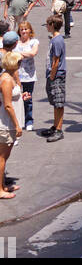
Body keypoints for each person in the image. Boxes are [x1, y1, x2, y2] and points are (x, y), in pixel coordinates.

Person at [0, 50, 23, 196]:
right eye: (19, 62)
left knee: (4, 157)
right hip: (6, 124)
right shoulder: (6, 80)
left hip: (8, 124)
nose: (20, 64)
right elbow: (7, 105)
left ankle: (2, 185)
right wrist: (17, 125)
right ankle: (0, 190)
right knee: (2, 157)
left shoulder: (9, 77)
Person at [44, 14, 67, 141]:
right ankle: (55, 126)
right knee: (55, 102)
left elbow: (56, 61)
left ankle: (59, 129)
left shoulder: (57, 40)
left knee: (58, 103)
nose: (46, 27)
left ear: (52, 25)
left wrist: (52, 75)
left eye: (47, 24)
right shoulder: (54, 39)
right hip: (53, 75)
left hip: (57, 76)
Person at [15, 20, 38, 131]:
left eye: (25, 29)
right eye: (21, 29)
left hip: (29, 75)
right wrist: (24, 54)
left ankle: (29, 120)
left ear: (30, 30)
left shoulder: (33, 42)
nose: (24, 31)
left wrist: (18, 54)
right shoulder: (16, 42)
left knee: (27, 99)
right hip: (16, 75)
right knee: (16, 99)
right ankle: (18, 121)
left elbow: (32, 53)